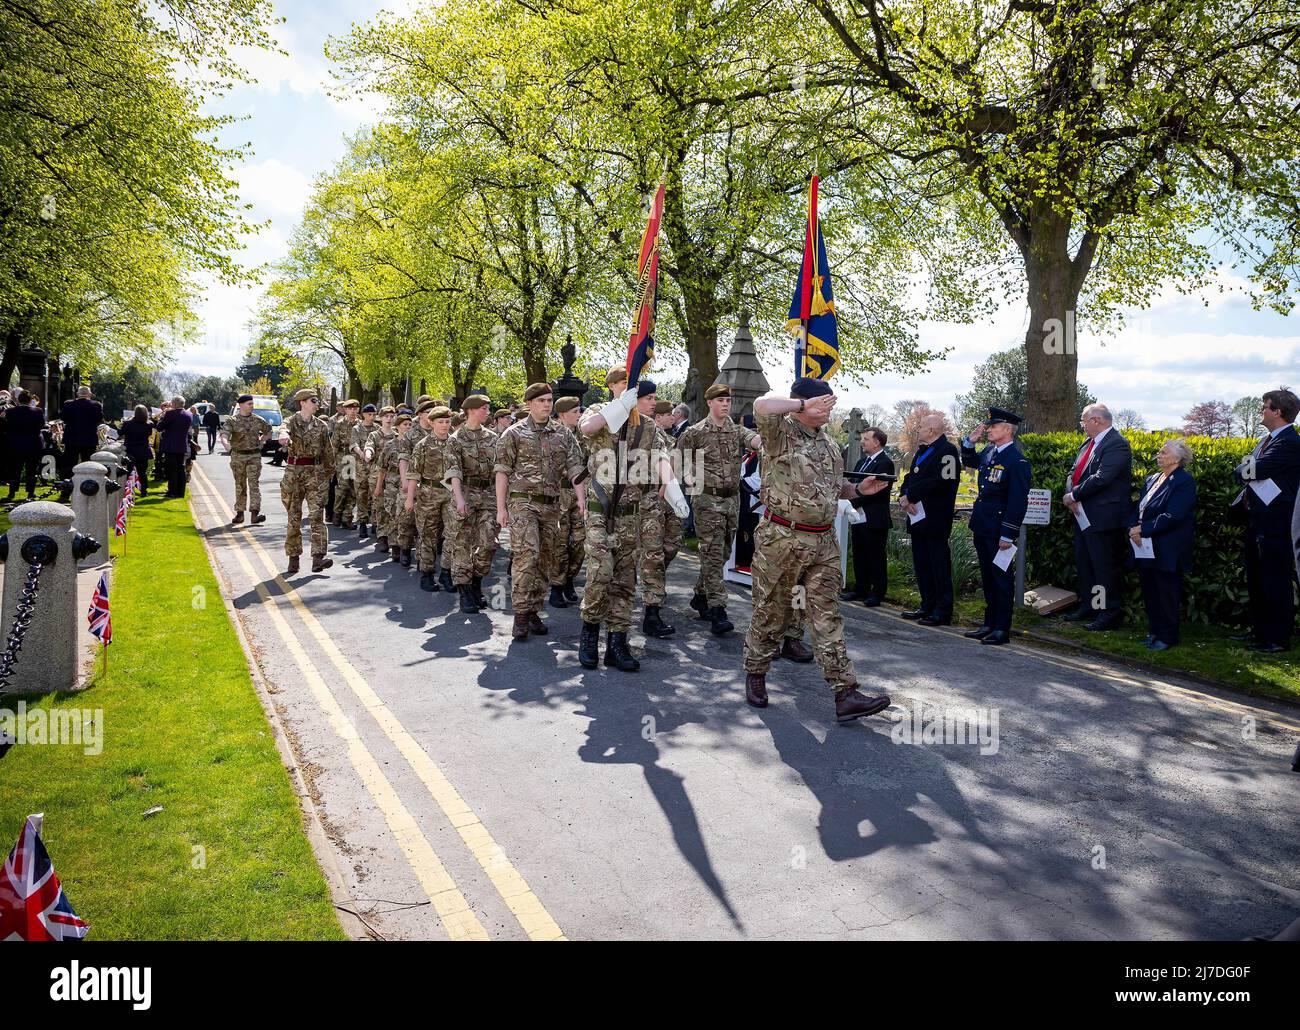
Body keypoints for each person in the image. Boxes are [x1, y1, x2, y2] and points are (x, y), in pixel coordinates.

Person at [742, 378, 892, 723]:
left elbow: (832, 488)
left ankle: (845, 693)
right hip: (782, 539)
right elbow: (761, 406)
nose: (830, 410)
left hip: (823, 541)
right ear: (804, 403)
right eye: (824, 404)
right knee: (772, 611)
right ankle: (756, 673)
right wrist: (799, 406)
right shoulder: (780, 432)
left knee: (827, 615)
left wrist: (859, 489)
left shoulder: (828, 443)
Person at [577, 372, 689, 670]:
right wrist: (620, 405)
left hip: (631, 515)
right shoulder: (598, 411)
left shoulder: (649, 426)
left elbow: (661, 457)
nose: (647, 400)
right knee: (600, 575)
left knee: (625, 581)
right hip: (601, 511)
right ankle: (589, 634)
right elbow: (588, 428)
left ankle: (617, 642)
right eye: (638, 392)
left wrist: (674, 491)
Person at [495, 382, 587, 640]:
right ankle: (521, 615)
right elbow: (501, 472)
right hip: (522, 503)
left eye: (548, 400)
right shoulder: (513, 434)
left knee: (546, 558)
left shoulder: (563, 434)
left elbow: (576, 469)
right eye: (540, 400)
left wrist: (581, 501)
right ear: (529, 404)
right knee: (528, 554)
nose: (546, 404)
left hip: (551, 505)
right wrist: (501, 508)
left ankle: (534, 609)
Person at [675, 384, 761, 635]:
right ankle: (718, 609)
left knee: (721, 553)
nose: (726, 404)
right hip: (706, 500)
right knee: (712, 553)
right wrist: (689, 478)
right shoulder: (695, 432)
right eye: (721, 400)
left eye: (728, 400)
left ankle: (700, 596)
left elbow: (754, 440)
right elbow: (679, 461)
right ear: (710, 402)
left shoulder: (736, 431)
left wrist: (765, 440)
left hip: (732, 500)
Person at [1230, 388, 1300, 652]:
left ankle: (1277, 639)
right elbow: (1245, 469)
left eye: (1265, 407)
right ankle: (1260, 632)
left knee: (1275, 581)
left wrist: (1246, 470)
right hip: (1256, 519)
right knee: (1257, 580)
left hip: (1277, 524)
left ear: (1278, 412)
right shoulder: (1266, 440)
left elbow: (1252, 469)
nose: (1261, 411)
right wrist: (1245, 470)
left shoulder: (1291, 443)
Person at [960, 407, 1032, 645]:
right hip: (982, 524)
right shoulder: (991, 451)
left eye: (993, 426)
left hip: (1000, 528)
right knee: (988, 577)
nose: (988, 429)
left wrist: (1008, 533)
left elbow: (1018, 500)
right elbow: (970, 460)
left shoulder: (1017, 460)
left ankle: (1002, 628)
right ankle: (989, 623)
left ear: (1007, 429)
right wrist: (969, 443)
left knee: (1001, 578)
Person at [1061, 403, 1133, 630]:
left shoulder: (1117, 444)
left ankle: (1108, 612)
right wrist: (1071, 495)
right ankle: (1089, 606)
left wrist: (1074, 495)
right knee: (1086, 563)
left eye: (1083, 420)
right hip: (1082, 513)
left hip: (1104, 517)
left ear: (1096, 420)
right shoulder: (1088, 443)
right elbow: (1074, 471)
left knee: (1103, 566)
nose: (1081, 425)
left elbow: (1103, 477)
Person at [1130, 438, 1197, 651]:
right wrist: (1133, 528)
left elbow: (1174, 515)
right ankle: (1154, 631)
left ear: (1177, 458)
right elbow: (1139, 509)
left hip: (1168, 546)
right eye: (1159, 452)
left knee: (1166, 593)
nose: (1159, 455)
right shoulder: (1152, 479)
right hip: (1145, 545)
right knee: (1150, 590)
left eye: (1163, 452)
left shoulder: (1184, 481)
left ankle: (1167, 636)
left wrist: (1143, 529)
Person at [897, 412, 961, 625]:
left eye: (921, 426)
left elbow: (942, 482)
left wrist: (911, 495)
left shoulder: (948, 452)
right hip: (917, 518)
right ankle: (926, 605)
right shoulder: (922, 451)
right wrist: (903, 496)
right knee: (922, 564)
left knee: (938, 565)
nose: (918, 429)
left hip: (935, 518)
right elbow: (910, 477)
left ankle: (942, 611)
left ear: (932, 430)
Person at [446, 395, 500, 614]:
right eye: (484, 408)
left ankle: (477, 581)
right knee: (462, 544)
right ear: (471, 411)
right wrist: (459, 499)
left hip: (488, 495)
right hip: (465, 493)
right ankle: (464, 590)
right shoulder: (455, 439)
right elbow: (453, 472)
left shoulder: (493, 438)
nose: (488, 411)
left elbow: (500, 470)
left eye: (488, 408)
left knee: (489, 542)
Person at [636, 399, 683, 637]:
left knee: (671, 547)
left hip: (670, 502)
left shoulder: (671, 440)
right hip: (648, 502)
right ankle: (652, 613)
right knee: (653, 555)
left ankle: (648, 581)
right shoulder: (641, 434)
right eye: (668, 414)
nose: (672, 417)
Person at [281, 388, 335, 574]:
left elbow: (328, 452)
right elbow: (283, 429)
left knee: (317, 515)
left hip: (316, 475)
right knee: (294, 517)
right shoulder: (290, 422)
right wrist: (283, 436)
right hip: (294, 474)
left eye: (317, 401)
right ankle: (293, 559)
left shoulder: (321, 426)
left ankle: (318, 559)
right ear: (302, 402)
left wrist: (329, 475)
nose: (317, 404)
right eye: (314, 400)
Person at [841, 426, 894, 606]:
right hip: (858, 517)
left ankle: (877, 593)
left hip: (874, 517)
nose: (862, 442)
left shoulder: (885, 463)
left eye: (866, 439)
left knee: (875, 556)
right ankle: (860, 589)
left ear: (877, 442)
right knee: (859, 554)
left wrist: (852, 501)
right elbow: (854, 484)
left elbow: (877, 491)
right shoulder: (861, 462)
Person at [407, 405, 455, 592]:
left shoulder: (455, 443)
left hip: (450, 494)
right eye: (440, 422)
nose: (444, 425)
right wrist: (410, 498)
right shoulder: (423, 445)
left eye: (447, 421)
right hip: (428, 493)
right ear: (431, 423)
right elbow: (413, 474)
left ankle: (446, 571)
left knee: (452, 533)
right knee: (428, 534)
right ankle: (426, 574)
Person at [549, 396, 586, 608]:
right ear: (562, 415)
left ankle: (570, 579)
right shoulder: (552, 435)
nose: (579, 415)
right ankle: (556, 586)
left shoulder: (586, 436)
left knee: (580, 541)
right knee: (559, 543)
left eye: (579, 411)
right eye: (574, 412)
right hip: (559, 495)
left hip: (580, 494)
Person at [225, 394, 271, 525]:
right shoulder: (232, 421)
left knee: (254, 484)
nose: (252, 406)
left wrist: (262, 439)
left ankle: (254, 514)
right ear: (241, 405)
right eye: (249, 404)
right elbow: (224, 434)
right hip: (238, 456)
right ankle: (240, 514)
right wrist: (225, 443)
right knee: (240, 485)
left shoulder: (258, 420)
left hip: (254, 456)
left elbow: (268, 431)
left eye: (252, 403)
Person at [372, 411, 410, 559]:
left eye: (409, 425)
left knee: (405, 515)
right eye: (404, 425)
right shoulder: (390, 445)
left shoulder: (414, 444)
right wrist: (378, 487)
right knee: (393, 513)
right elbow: (382, 468)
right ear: (398, 427)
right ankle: (395, 545)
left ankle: (404, 543)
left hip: (408, 481)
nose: (407, 427)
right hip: (392, 483)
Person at [4, 389, 45, 499]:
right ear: (29, 400)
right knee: (32, 469)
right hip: (33, 444)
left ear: (18, 400)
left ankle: (12, 493)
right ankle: (30, 492)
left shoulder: (10, 412)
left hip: (15, 444)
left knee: (14, 469)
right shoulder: (38, 411)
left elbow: (6, 427)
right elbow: (41, 425)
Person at [330, 399, 361, 530]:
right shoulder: (339, 424)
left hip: (356, 458)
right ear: (345, 410)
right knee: (342, 487)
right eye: (350, 408)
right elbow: (334, 444)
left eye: (355, 408)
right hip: (343, 457)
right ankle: (337, 513)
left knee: (354, 488)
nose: (353, 411)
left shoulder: (360, 425)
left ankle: (347, 517)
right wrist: (331, 461)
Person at [156, 396, 193, 498]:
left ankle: (172, 491)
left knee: (171, 469)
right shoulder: (189, 414)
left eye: (172, 403)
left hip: (171, 445)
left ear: (175, 404)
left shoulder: (170, 414)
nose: (171, 405)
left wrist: (162, 417)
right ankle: (180, 492)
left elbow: (159, 427)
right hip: (182, 445)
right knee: (180, 468)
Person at [58, 385, 103, 466]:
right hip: (89, 439)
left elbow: (62, 417)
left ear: (77, 394)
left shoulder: (68, 404)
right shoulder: (96, 405)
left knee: (70, 463)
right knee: (88, 464)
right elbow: (99, 419)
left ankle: (68, 477)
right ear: (89, 394)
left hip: (71, 438)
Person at [351, 404, 378, 539]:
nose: (372, 417)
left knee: (375, 495)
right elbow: (354, 444)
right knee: (361, 494)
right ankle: (362, 522)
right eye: (369, 414)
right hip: (361, 466)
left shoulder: (377, 429)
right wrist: (362, 453)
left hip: (374, 467)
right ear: (364, 414)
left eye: (374, 414)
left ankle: (375, 522)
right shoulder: (356, 428)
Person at [119, 405, 155, 497]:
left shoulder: (128, 424)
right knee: (142, 472)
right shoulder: (149, 424)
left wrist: (123, 423)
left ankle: (123, 491)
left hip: (131, 451)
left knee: (127, 471)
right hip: (143, 450)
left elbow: (120, 432)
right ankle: (144, 491)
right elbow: (149, 433)